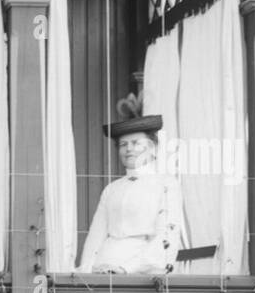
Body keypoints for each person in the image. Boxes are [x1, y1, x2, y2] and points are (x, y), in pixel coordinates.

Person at [76, 98, 187, 274]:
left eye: (136, 143)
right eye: (123, 144)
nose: (128, 149)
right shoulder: (112, 189)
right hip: (102, 268)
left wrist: (125, 269)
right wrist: (86, 270)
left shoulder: (165, 185)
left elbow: (166, 236)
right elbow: (95, 236)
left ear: (153, 147)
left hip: (142, 271)